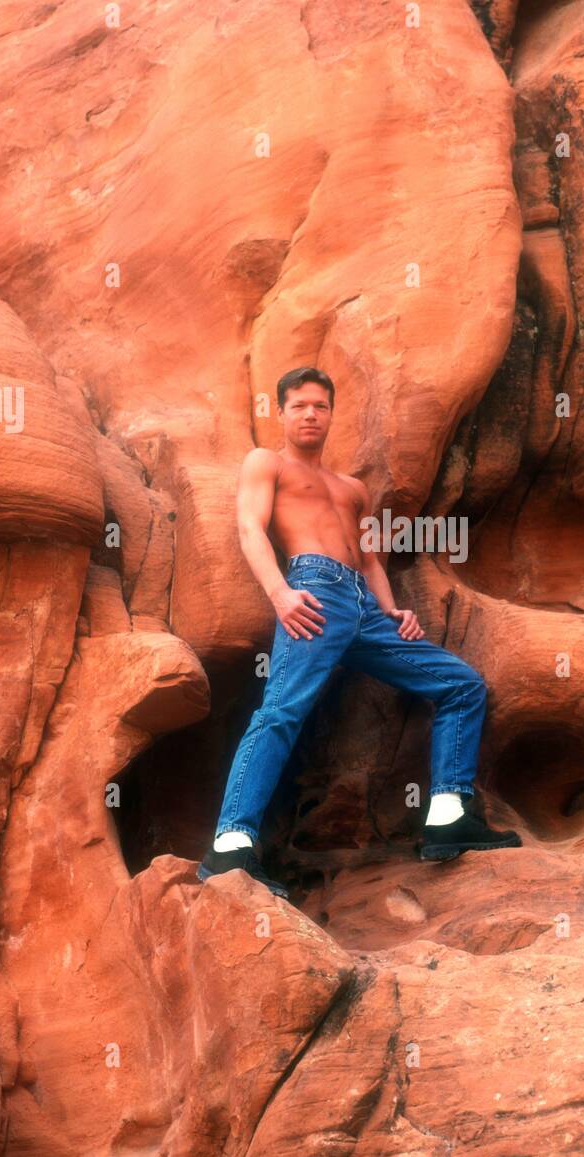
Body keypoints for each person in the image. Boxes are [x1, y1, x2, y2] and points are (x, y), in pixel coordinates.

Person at [197, 366, 521, 897]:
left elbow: (370, 560)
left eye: (320, 406)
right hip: (313, 592)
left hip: (365, 609)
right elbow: (249, 527)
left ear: (331, 414)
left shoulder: (351, 489)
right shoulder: (267, 463)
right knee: (280, 710)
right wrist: (279, 593)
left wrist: (392, 611)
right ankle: (231, 845)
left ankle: (446, 816)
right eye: (299, 405)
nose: (310, 414)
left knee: (461, 684)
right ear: (281, 412)